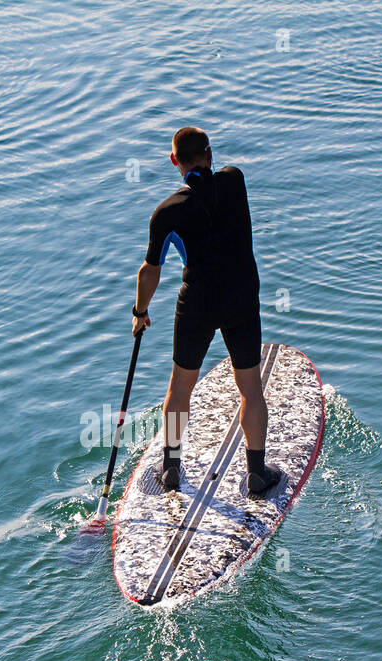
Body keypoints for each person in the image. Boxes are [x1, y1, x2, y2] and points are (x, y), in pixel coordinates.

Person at [131, 126, 282, 496]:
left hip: (197, 301)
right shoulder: (235, 181)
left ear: (174, 161)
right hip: (241, 297)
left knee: (181, 385)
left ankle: (170, 468)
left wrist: (140, 311)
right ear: (210, 154)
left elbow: (150, 271)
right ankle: (256, 473)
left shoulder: (166, 212)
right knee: (250, 387)